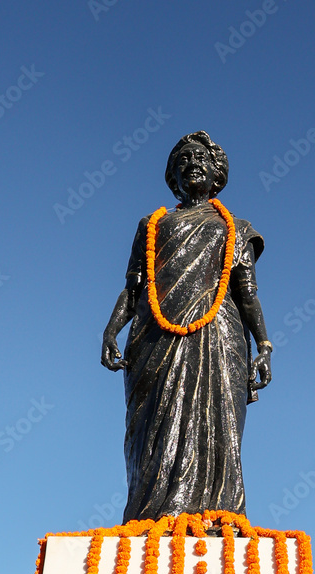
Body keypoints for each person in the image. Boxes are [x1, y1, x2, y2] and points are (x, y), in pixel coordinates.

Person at [101, 131, 272, 522]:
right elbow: (133, 287)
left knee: (217, 426)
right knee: (152, 429)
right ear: (172, 177)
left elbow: (246, 294)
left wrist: (263, 344)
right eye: (183, 161)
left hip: (218, 337)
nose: (192, 165)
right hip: (155, 339)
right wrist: (110, 330)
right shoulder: (152, 224)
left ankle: (219, 515)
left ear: (217, 175)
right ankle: (149, 517)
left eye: (201, 160)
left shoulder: (236, 228)